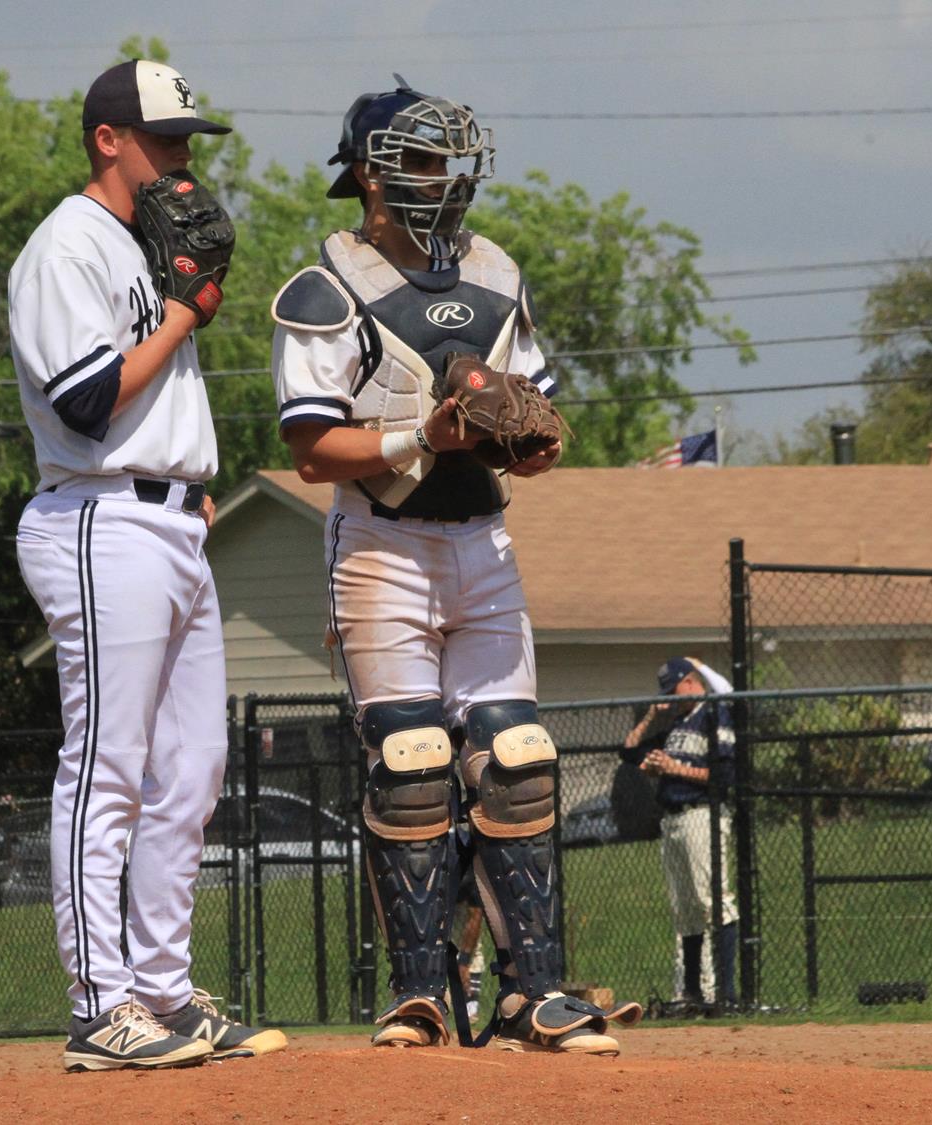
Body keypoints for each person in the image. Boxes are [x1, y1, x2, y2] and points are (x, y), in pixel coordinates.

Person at [270, 81, 638, 1054]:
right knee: (409, 763)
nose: (445, 180)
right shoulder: (327, 284)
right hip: (382, 548)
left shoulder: (495, 270)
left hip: (482, 541)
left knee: (516, 760)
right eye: (421, 161)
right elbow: (311, 447)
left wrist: (531, 442)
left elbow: (535, 410)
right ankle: (418, 994)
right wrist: (422, 437)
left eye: (451, 161)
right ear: (367, 175)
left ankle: (533, 994)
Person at [7, 58, 284, 1073]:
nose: (182, 162)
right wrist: (183, 310)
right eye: (166, 140)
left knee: (194, 770)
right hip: (97, 516)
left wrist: (188, 475)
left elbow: (155, 395)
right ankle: (99, 1007)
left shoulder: (137, 247)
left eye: (189, 144)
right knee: (106, 765)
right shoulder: (64, 248)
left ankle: (164, 993)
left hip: (169, 522)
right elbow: (86, 401)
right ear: (107, 139)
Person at [624, 656, 740, 1014]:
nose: (669, 698)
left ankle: (725, 992)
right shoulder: (675, 723)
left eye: (672, 690)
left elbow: (725, 775)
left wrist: (674, 767)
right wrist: (652, 716)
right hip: (672, 821)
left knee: (712, 901)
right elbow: (628, 752)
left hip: (701, 815)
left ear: (690, 682)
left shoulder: (713, 714)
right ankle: (692, 992)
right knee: (686, 910)